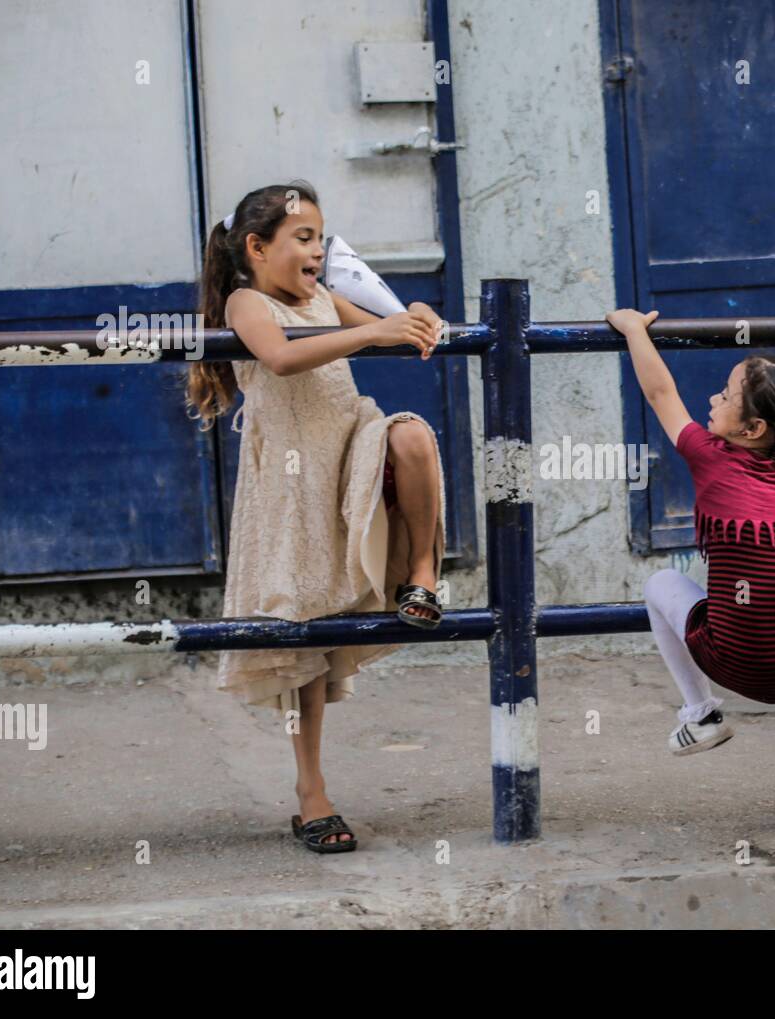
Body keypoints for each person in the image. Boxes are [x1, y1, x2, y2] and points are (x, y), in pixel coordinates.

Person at [185, 181, 447, 851]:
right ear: (257, 247)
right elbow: (278, 354)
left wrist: (412, 315)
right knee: (302, 640)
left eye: (321, 237)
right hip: (292, 485)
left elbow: (388, 330)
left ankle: (423, 577)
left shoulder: (327, 297)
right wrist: (373, 329)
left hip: (349, 450)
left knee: (414, 435)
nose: (317, 249)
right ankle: (311, 791)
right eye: (302, 237)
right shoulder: (250, 302)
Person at [607, 301, 775, 824]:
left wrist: (634, 330)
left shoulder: (707, 453)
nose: (712, 398)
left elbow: (660, 392)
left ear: (751, 429)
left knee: (661, 582)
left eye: (724, 397)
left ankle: (701, 712)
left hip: (730, 660)